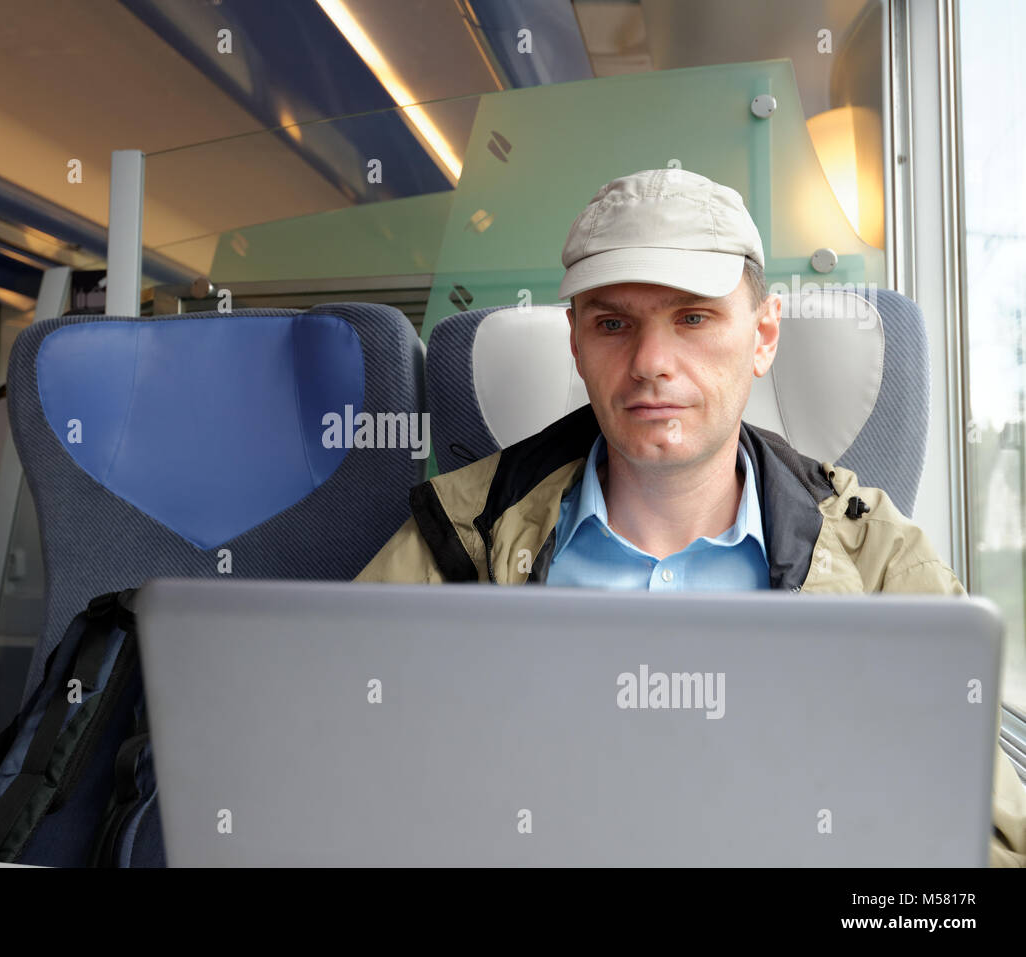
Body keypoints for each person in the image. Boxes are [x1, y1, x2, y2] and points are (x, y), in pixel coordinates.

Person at [356, 168, 1026, 866]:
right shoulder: (458, 537)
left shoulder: (877, 558)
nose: (650, 362)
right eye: (613, 324)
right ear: (577, 344)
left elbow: (989, 849)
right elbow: (330, 770)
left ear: (763, 337)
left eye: (694, 318)